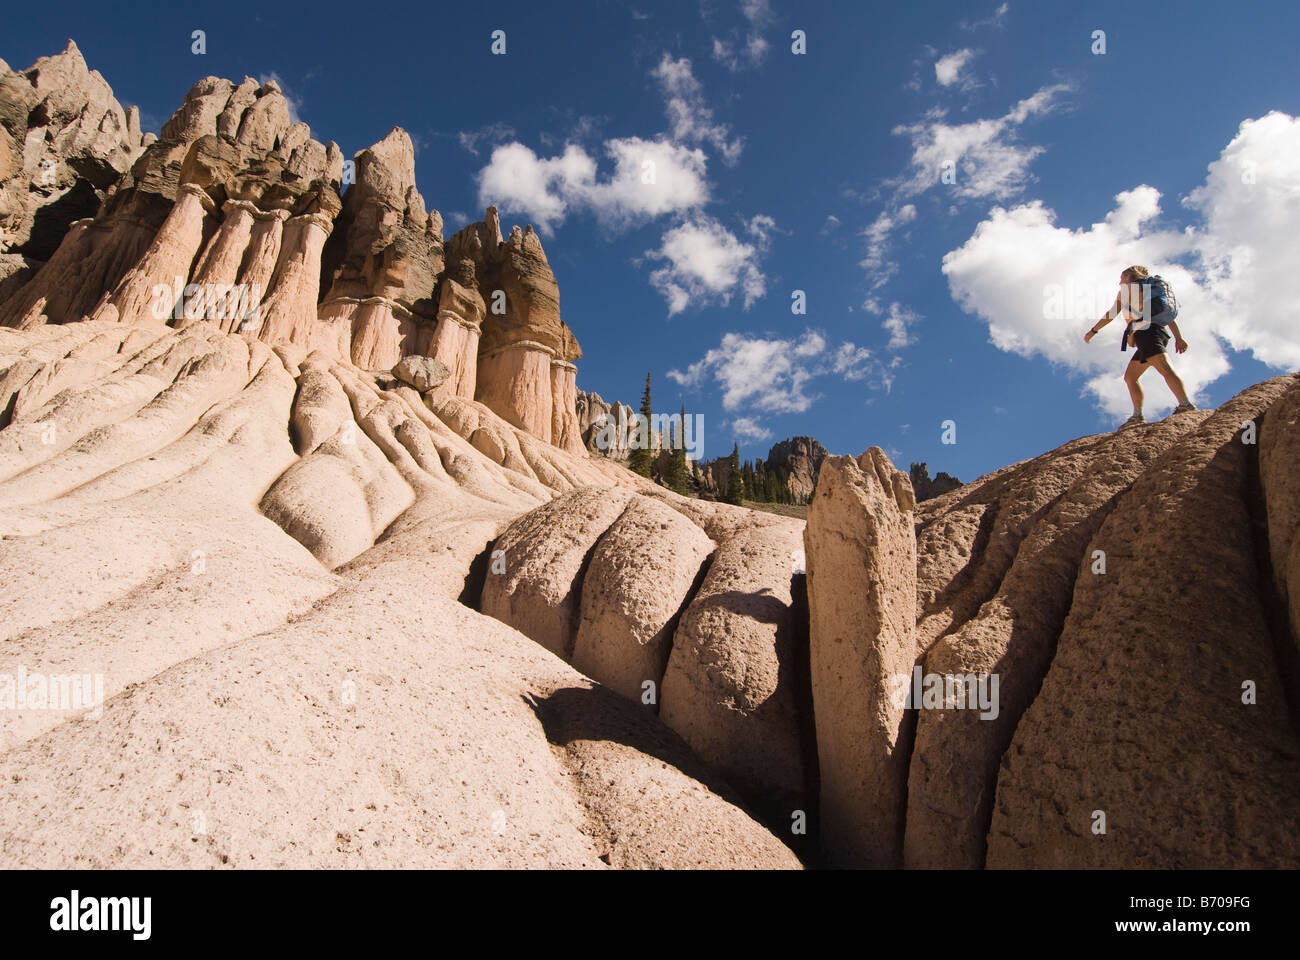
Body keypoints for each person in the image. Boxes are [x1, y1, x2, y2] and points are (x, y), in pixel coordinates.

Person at [1084, 265, 1195, 427]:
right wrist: (1178, 338)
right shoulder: (1150, 291)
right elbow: (1165, 315)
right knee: (1130, 377)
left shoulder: (1129, 291)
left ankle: (1185, 404)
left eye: (1122, 277)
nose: (1119, 282)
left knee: (1164, 368)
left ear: (1129, 276)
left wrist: (1093, 331)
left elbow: (1112, 314)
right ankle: (1137, 416)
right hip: (1155, 332)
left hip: (1147, 333)